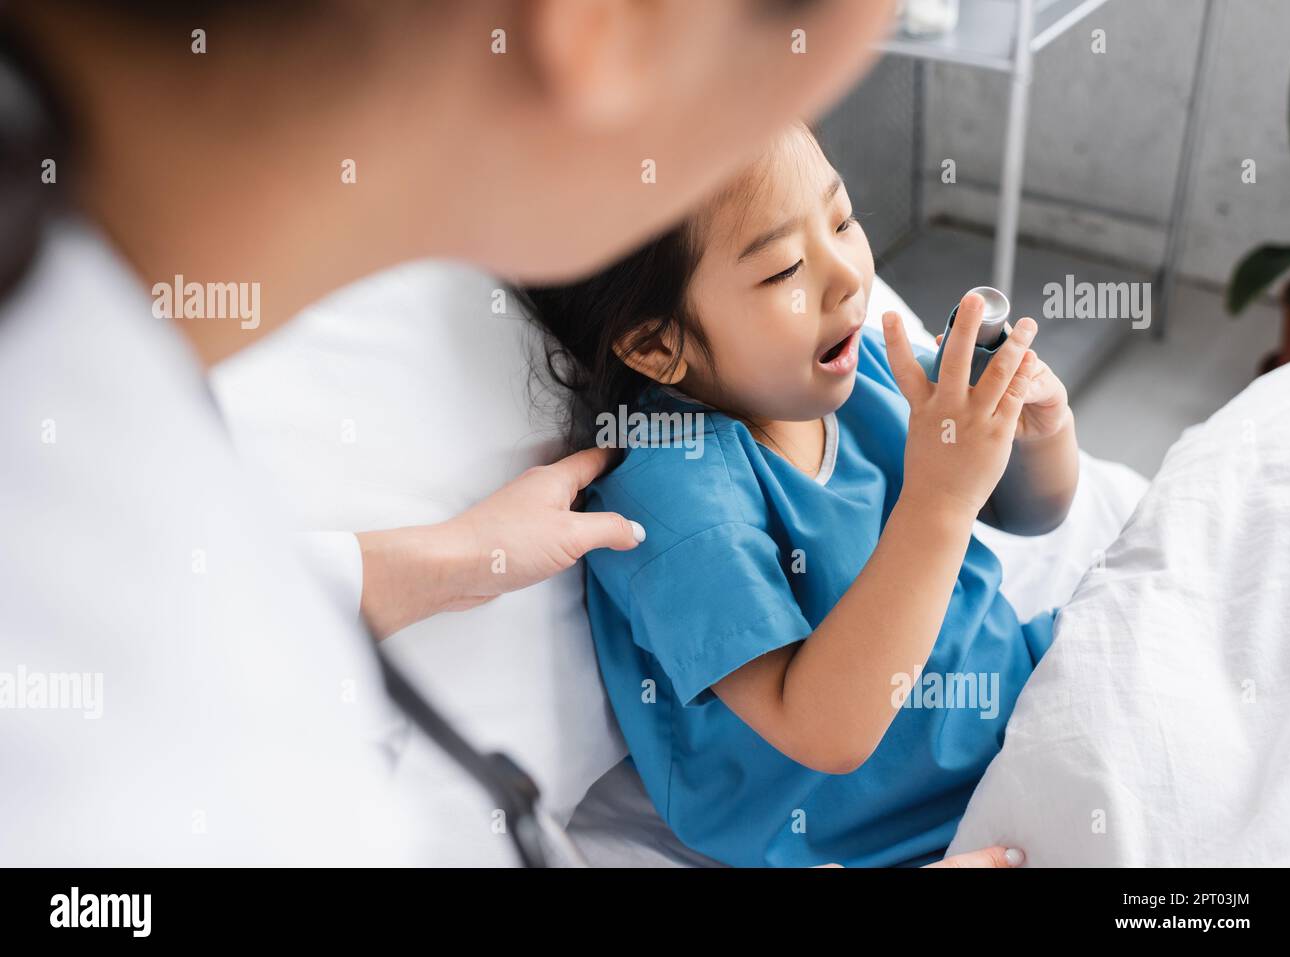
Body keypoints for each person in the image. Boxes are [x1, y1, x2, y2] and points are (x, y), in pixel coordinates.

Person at [0, 0, 1018, 866]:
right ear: (612, 26)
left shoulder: (89, 405)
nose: (847, 270)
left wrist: (448, 561)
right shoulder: (95, 744)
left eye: (836, 220)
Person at [518, 124, 1078, 865]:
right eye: (785, 268)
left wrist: (1038, 431)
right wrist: (939, 503)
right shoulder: (673, 500)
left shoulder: (867, 371)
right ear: (657, 345)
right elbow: (824, 730)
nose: (849, 274)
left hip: (1014, 694)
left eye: (842, 220)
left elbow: (1029, 512)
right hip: (884, 824)